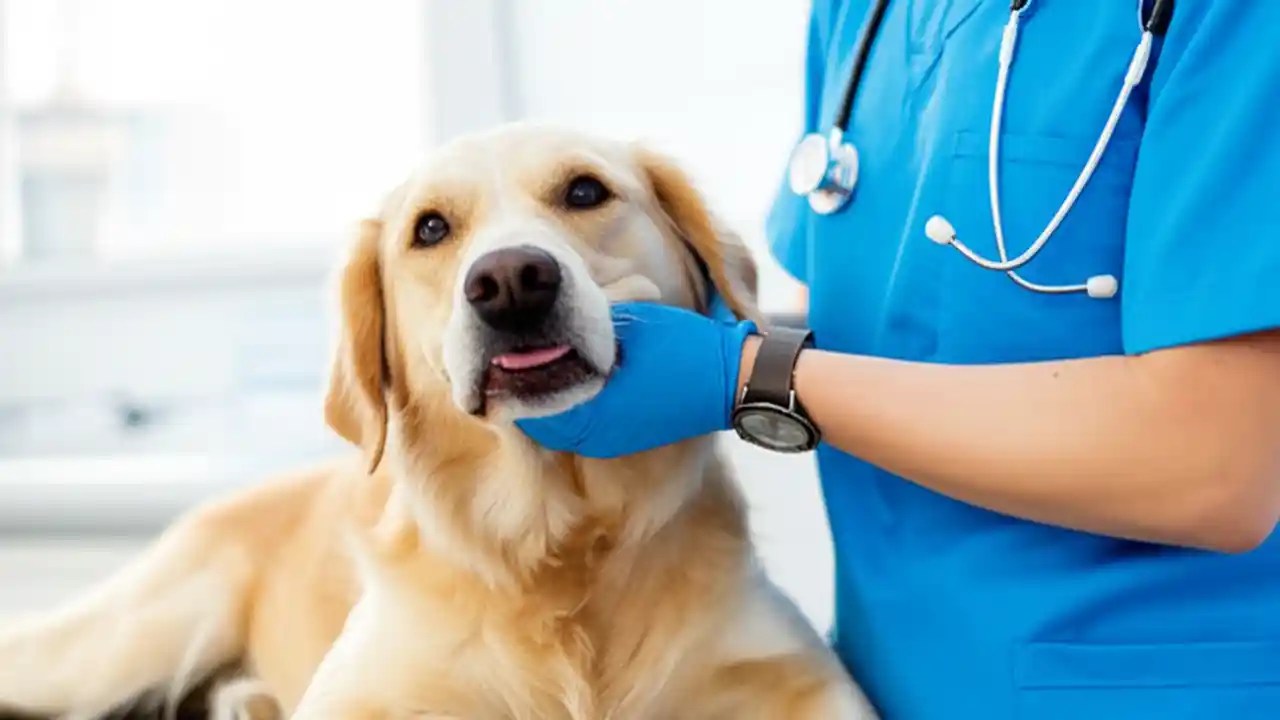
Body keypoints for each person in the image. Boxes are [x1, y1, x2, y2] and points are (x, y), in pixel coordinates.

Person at [520, 1, 1280, 717]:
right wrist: (656, 334)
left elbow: (1216, 466)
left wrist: (750, 376)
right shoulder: (861, 12)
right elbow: (877, 326)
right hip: (877, 687)